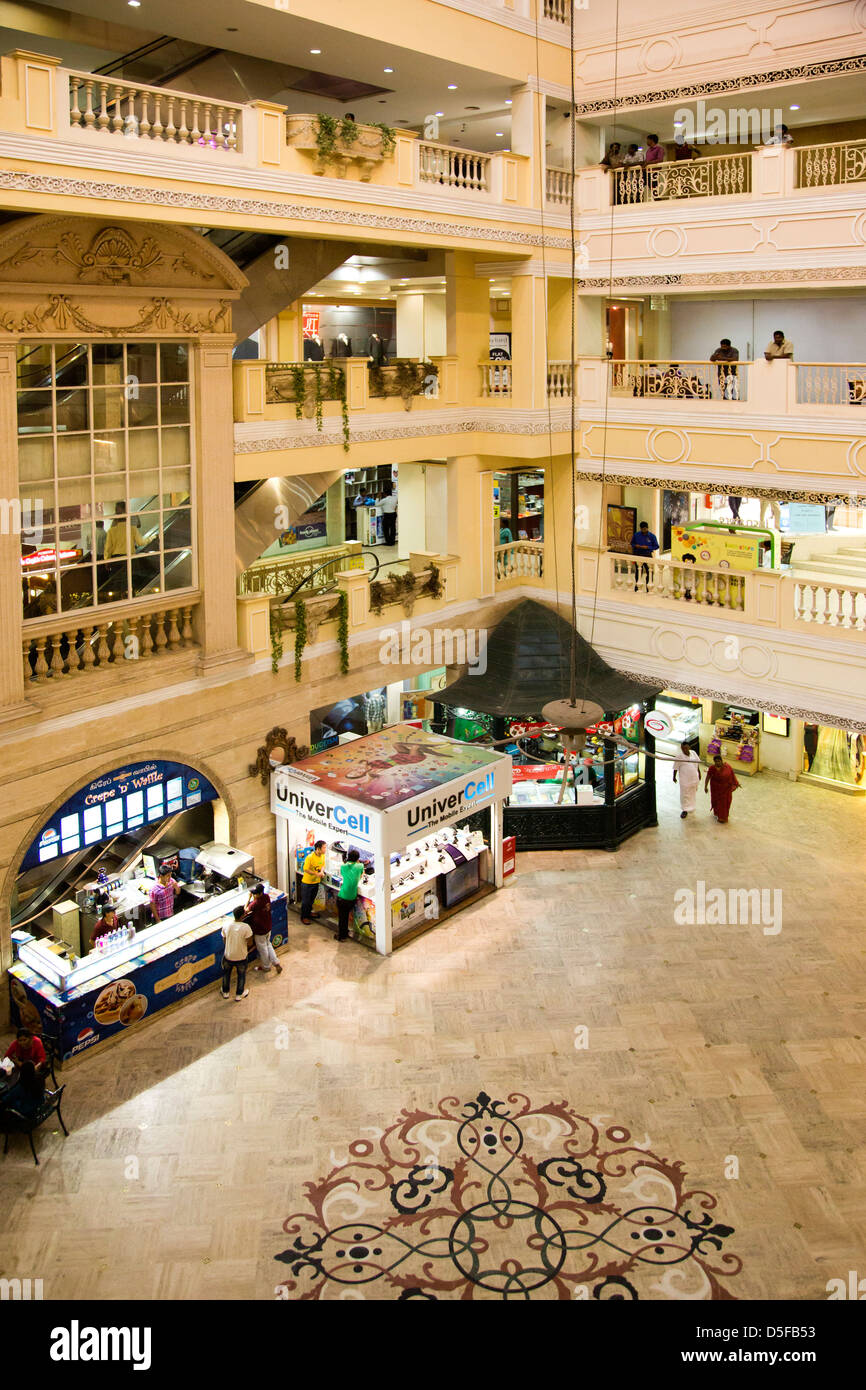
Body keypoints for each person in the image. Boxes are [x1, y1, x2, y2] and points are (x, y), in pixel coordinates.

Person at [246, 883, 282, 975]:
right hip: (268, 926)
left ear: (259, 893)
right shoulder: (266, 897)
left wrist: (249, 898)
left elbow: (246, 909)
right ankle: (276, 962)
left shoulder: (256, 903)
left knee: (262, 948)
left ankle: (266, 967)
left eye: (255, 893)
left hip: (260, 930)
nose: (254, 895)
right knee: (268, 944)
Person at [221, 905, 252, 1001]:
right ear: (243, 915)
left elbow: (224, 940)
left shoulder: (226, 925)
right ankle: (239, 994)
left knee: (226, 974)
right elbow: (250, 942)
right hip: (241, 957)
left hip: (228, 955)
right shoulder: (246, 927)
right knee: (241, 975)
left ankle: (225, 992)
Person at [335, 849, 364, 943]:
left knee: (342, 917)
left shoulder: (343, 867)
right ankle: (345, 931)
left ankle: (341, 936)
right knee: (346, 916)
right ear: (357, 859)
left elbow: (343, 874)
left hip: (343, 896)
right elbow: (361, 875)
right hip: (352, 898)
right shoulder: (360, 866)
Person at [705, 754, 740, 823]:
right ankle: (719, 814)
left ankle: (723, 816)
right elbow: (708, 777)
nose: (717, 763)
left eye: (719, 761)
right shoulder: (712, 768)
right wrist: (705, 786)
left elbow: (732, 775)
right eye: (716, 761)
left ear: (722, 761)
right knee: (717, 801)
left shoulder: (727, 767)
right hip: (716, 788)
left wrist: (735, 783)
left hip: (726, 789)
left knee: (725, 803)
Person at [672, 740, 702, 819]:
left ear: (689, 747)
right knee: (685, 794)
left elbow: (697, 763)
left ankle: (691, 807)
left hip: (694, 778)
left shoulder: (693, 753)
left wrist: (699, 772)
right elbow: (675, 768)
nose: (684, 750)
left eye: (685, 748)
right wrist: (674, 777)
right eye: (682, 748)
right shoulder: (679, 756)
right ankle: (684, 810)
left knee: (692, 793)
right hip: (685, 779)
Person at [299, 840, 326, 924]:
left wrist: (321, 872)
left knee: (311, 900)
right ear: (318, 848)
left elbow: (322, 865)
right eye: (324, 847)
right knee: (306, 901)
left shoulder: (322, 856)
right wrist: (316, 874)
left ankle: (308, 913)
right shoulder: (310, 857)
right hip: (307, 883)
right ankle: (304, 917)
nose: (325, 849)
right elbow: (305, 869)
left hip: (316, 882)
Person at [630, 520, 659, 591]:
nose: (644, 530)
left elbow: (656, 546)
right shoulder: (636, 535)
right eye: (642, 529)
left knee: (649, 571)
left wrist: (648, 547)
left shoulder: (652, 536)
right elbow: (632, 543)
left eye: (645, 529)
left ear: (647, 528)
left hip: (647, 554)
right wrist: (636, 545)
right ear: (640, 528)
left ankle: (648, 588)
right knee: (638, 571)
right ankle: (637, 586)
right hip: (638, 554)